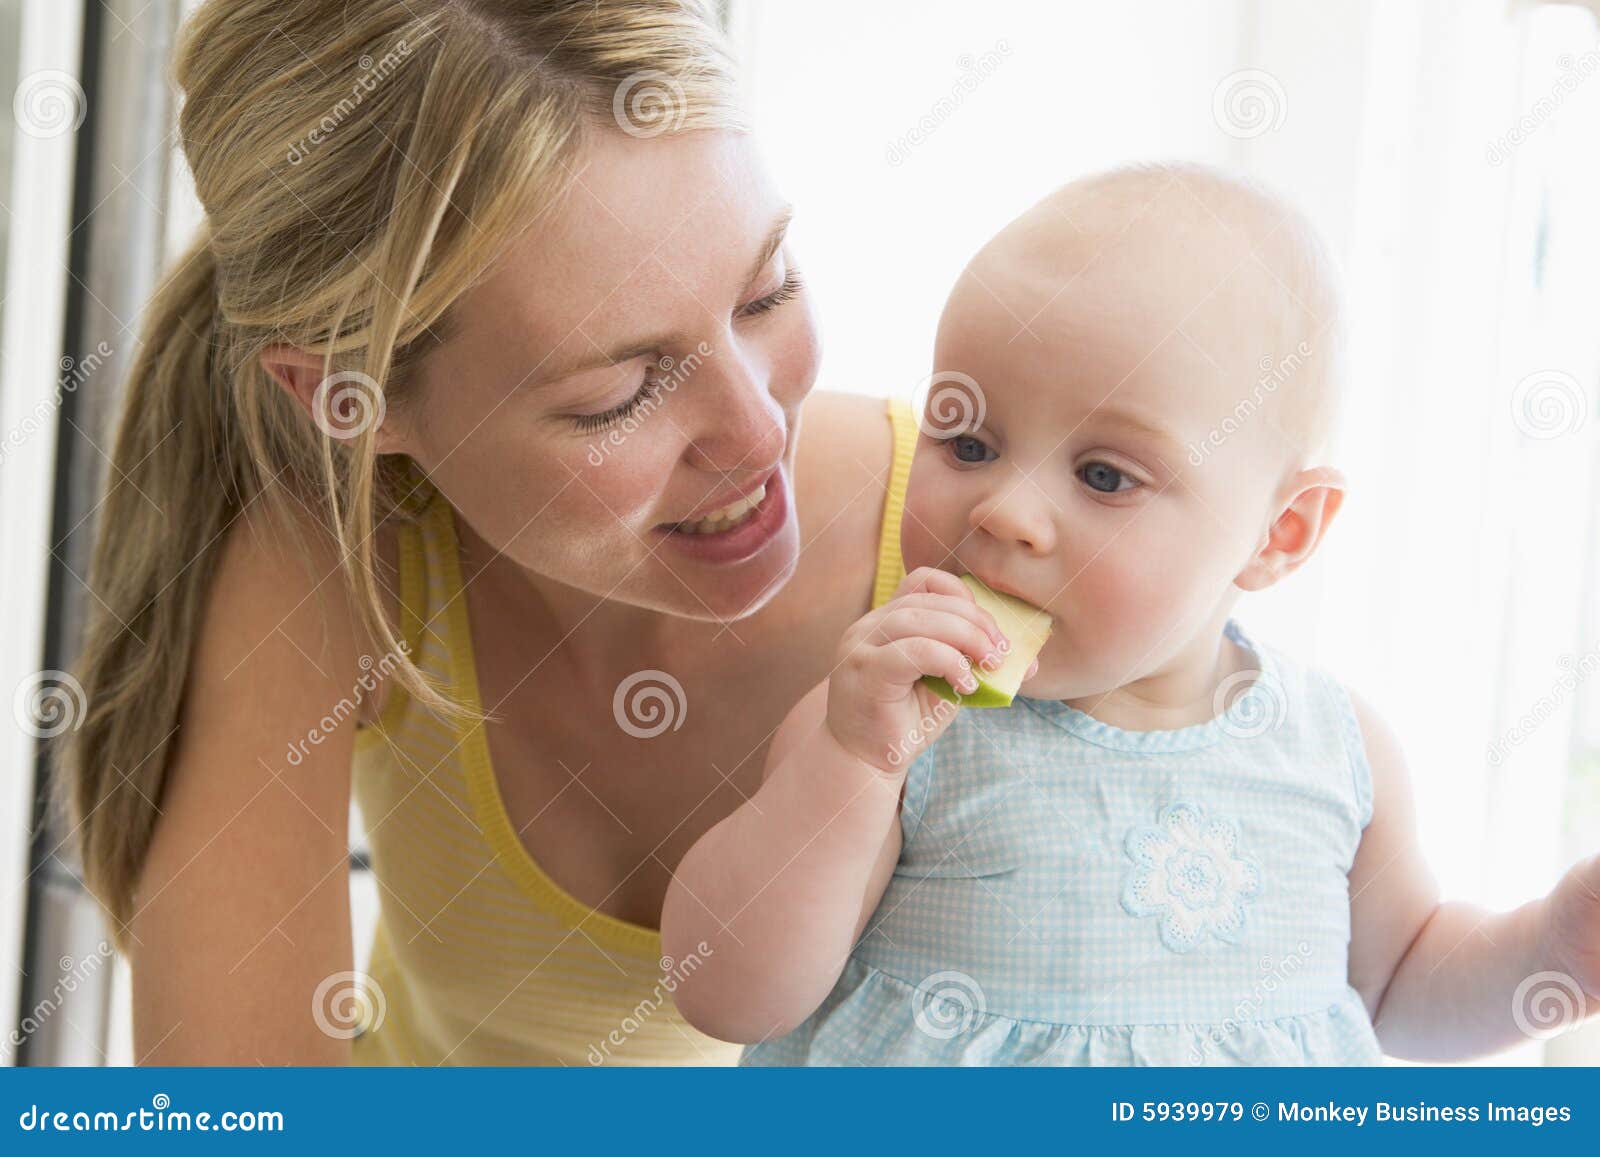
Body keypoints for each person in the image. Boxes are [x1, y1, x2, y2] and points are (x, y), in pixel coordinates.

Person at [55, 0, 920, 1065]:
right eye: (617, 393)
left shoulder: (1009, 546)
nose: (756, 431)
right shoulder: (344, 546)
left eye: (764, 292)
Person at [662, 164, 1600, 1064]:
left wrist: (1553, 952)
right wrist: (849, 770)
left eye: (1105, 475)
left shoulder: (1335, 751)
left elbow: (1398, 988)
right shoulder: (891, 727)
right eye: (970, 440)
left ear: (1280, 533)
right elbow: (729, 992)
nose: (1004, 514)